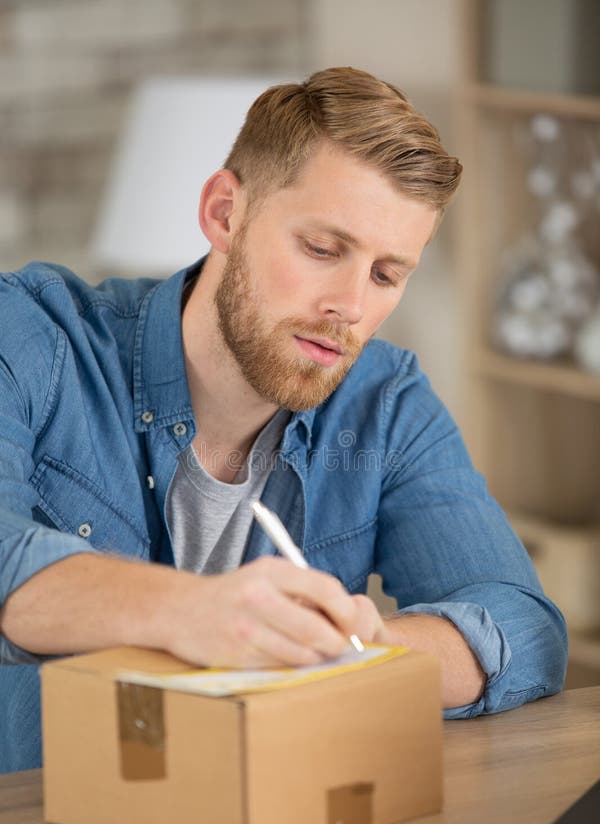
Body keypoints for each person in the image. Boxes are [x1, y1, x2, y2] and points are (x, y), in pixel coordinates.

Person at [0, 67, 567, 773]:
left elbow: (527, 631)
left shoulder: (384, 402)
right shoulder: (31, 336)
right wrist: (193, 613)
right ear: (224, 213)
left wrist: (366, 652)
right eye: (323, 250)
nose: (351, 306)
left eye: (387, 275)